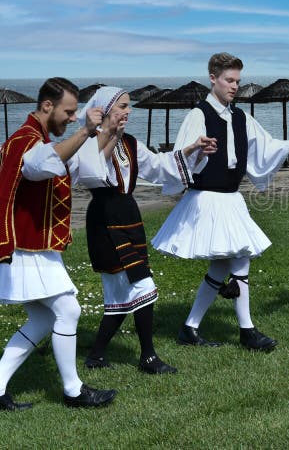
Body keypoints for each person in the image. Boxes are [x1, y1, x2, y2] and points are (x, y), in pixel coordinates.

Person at [151, 53, 289, 351]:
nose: (234, 87)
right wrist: (198, 153)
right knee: (240, 257)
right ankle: (247, 330)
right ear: (213, 78)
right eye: (229, 80)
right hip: (206, 200)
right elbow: (181, 158)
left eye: (237, 81)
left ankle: (190, 328)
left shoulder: (241, 117)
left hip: (230, 200)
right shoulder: (198, 115)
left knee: (221, 266)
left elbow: (267, 148)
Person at [73, 87, 217, 374]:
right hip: (105, 218)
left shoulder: (131, 143)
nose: (128, 111)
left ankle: (97, 355)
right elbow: (88, 172)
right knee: (142, 286)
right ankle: (148, 357)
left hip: (129, 215)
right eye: (122, 106)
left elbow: (158, 166)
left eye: (129, 107)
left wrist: (191, 150)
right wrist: (107, 134)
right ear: (105, 109)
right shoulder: (87, 142)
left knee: (120, 293)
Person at [0, 78, 117, 410]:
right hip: (26, 248)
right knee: (67, 310)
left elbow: (77, 167)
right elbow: (40, 165)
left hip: (29, 247)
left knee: (44, 319)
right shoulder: (27, 140)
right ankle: (73, 390)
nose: (71, 117)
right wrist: (84, 131)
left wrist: (107, 131)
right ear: (47, 106)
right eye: (68, 111)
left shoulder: (34, 139)